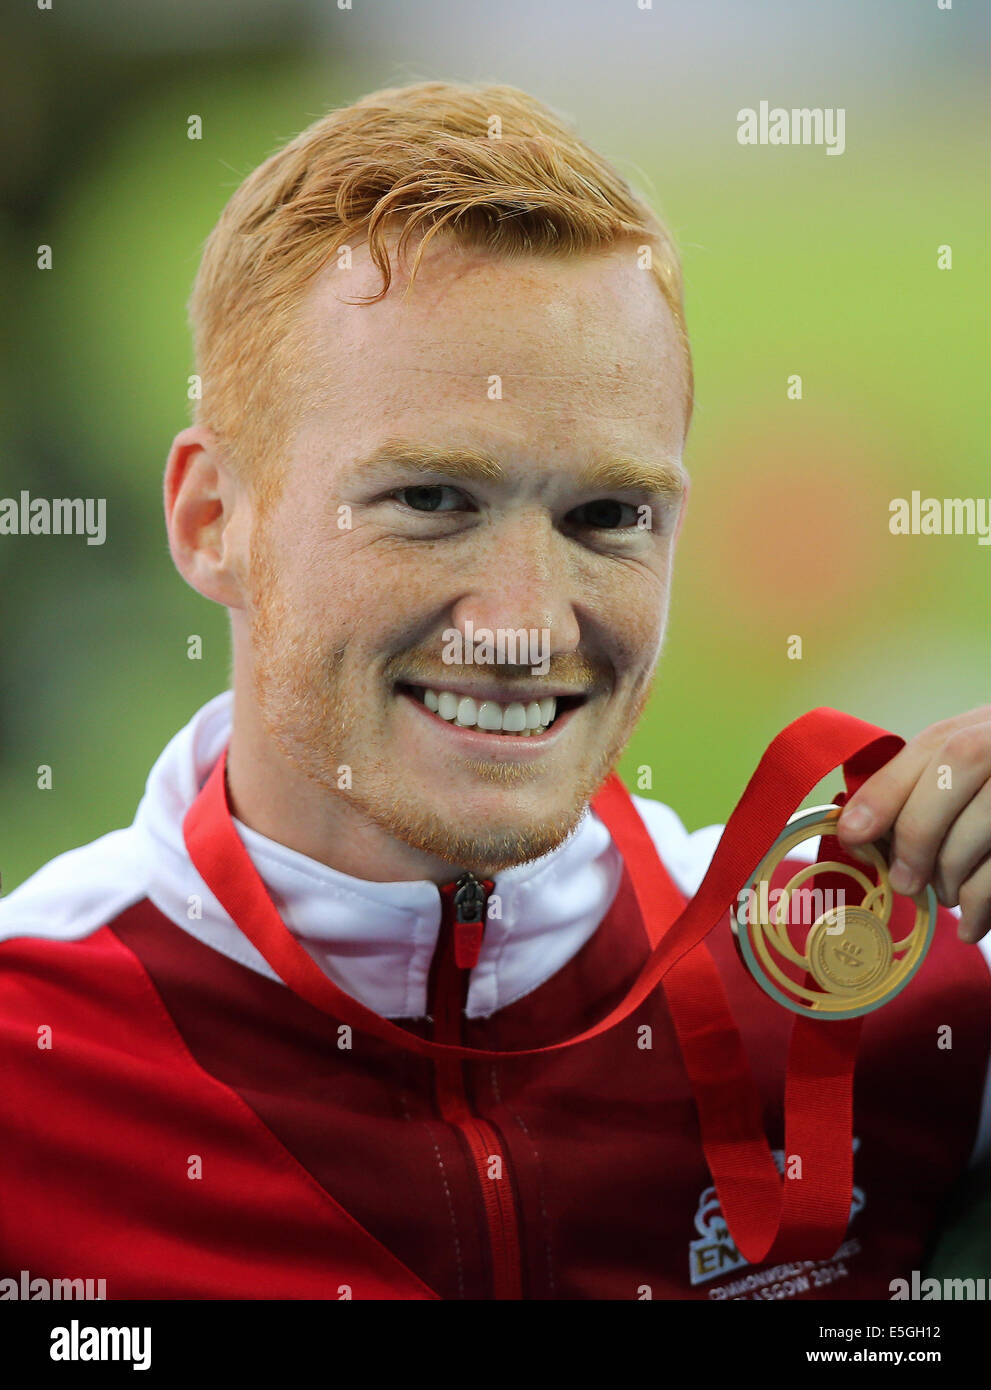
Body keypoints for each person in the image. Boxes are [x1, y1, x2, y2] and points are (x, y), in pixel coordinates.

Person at [2, 79, 990, 1302]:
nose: (524, 626)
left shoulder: (881, 996)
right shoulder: (29, 1054)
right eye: (430, 502)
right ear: (213, 521)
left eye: (606, 516)